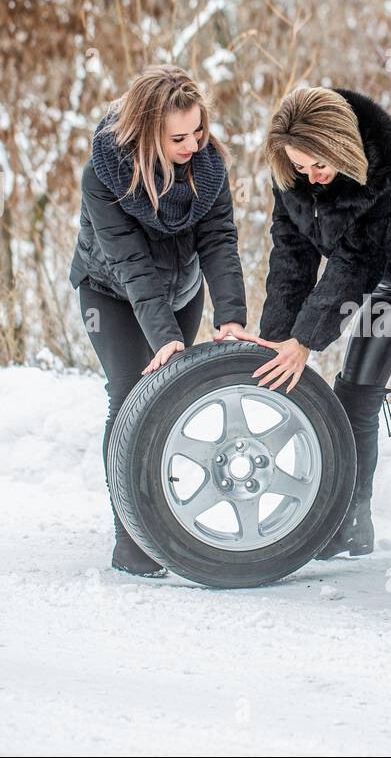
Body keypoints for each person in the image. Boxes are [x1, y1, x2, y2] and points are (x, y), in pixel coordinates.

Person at [253, 87, 391, 577]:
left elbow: (356, 260)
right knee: (354, 397)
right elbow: (291, 254)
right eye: (302, 167)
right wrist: (279, 336)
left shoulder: (387, 171)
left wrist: (307, 340)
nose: (312, 176)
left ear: (340, 143)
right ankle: (353, 525)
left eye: (319, 164)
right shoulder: (293, 177)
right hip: (389, 282)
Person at [69, 65, 258, 577]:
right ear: (148, 131)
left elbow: (219, 241)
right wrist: (165, 340)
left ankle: (162, 526)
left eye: (198, 131)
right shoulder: (103, 175)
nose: (192, 144)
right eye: (178, 137)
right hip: (110, 294)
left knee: (167, 397)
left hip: (181, 290)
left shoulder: (208, 167)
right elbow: (131, 264)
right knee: (130, 393)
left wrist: (232, 317)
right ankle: (129, 537)